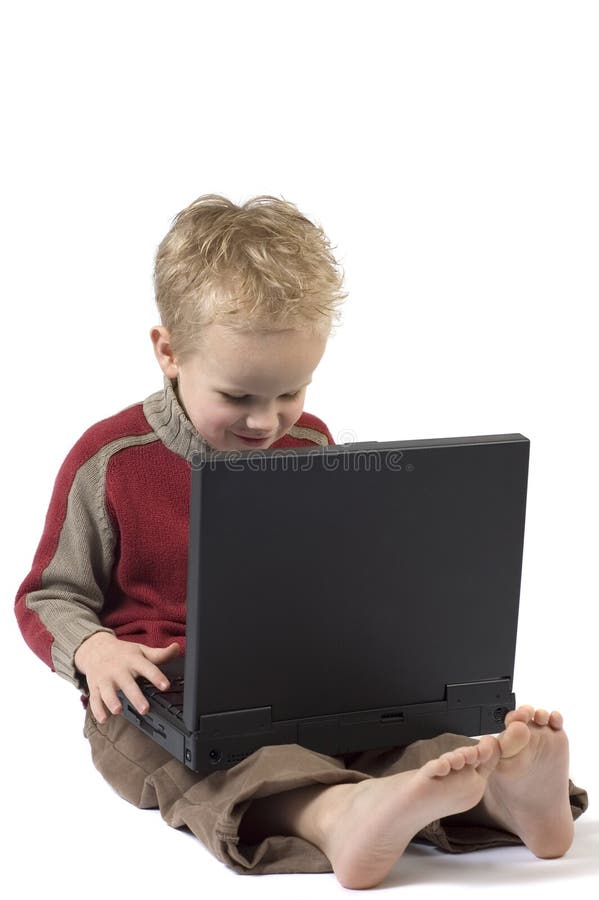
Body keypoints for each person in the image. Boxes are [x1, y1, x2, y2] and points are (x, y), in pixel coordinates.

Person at [14, 194, 588, 890]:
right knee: (237, 769)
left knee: (410, 742)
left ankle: (504, 794)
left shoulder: (310, 441)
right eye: (239, 396)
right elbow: (49, 593)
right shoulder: (110, 459)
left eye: (290, 391)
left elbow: (334, 569)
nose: (267, 422)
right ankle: (337, 814)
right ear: (168, 351)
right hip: (160, 692)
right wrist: (92, 648)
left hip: (299, 678)